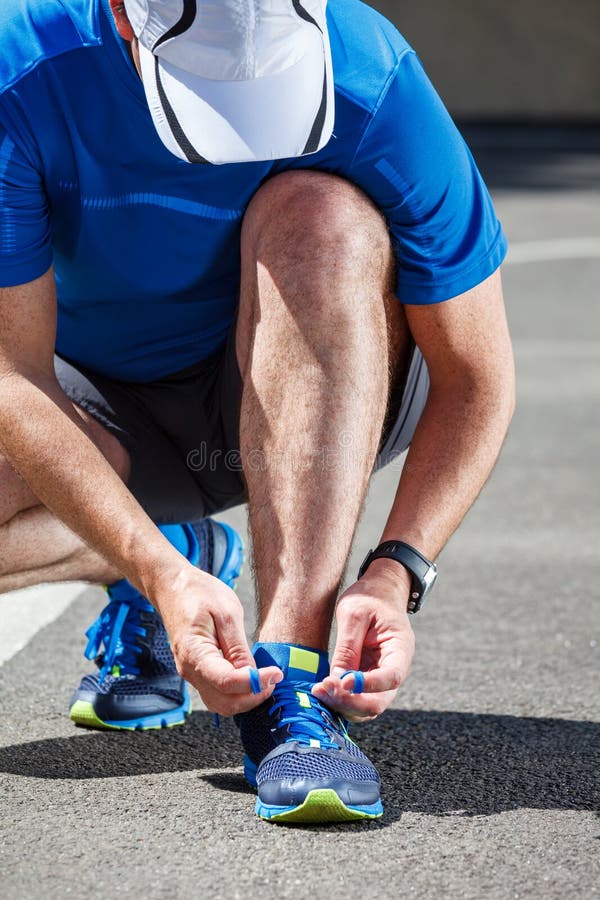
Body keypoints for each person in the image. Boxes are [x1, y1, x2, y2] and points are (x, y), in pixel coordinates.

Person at [0, 0, 515, 824]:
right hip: (96, 405)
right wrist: (154, 570)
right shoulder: (20, 65)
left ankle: (293, 677)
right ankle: (172, 551)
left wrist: (395, 571)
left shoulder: (373, 77)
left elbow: (474, 375)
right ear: (129, 23)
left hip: (314, 387)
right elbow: (11, 375)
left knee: (320, 213)